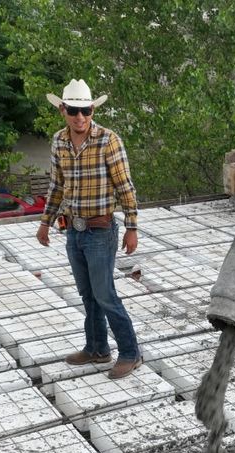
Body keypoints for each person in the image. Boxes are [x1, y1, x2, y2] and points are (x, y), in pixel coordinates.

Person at [36, 79, 142, 380]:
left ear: (92, 110)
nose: (80, 118)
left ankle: (130, 352)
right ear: (63, 111)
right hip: (74, 231)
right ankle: (96, 348)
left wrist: (131, 228)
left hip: (100, 230)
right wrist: (45, 222)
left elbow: (125, 187)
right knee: (88, 295)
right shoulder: (59, 141)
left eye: (85, 111)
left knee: (105, 294)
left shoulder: (108, 140)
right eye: (73, 111)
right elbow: (57, 185)